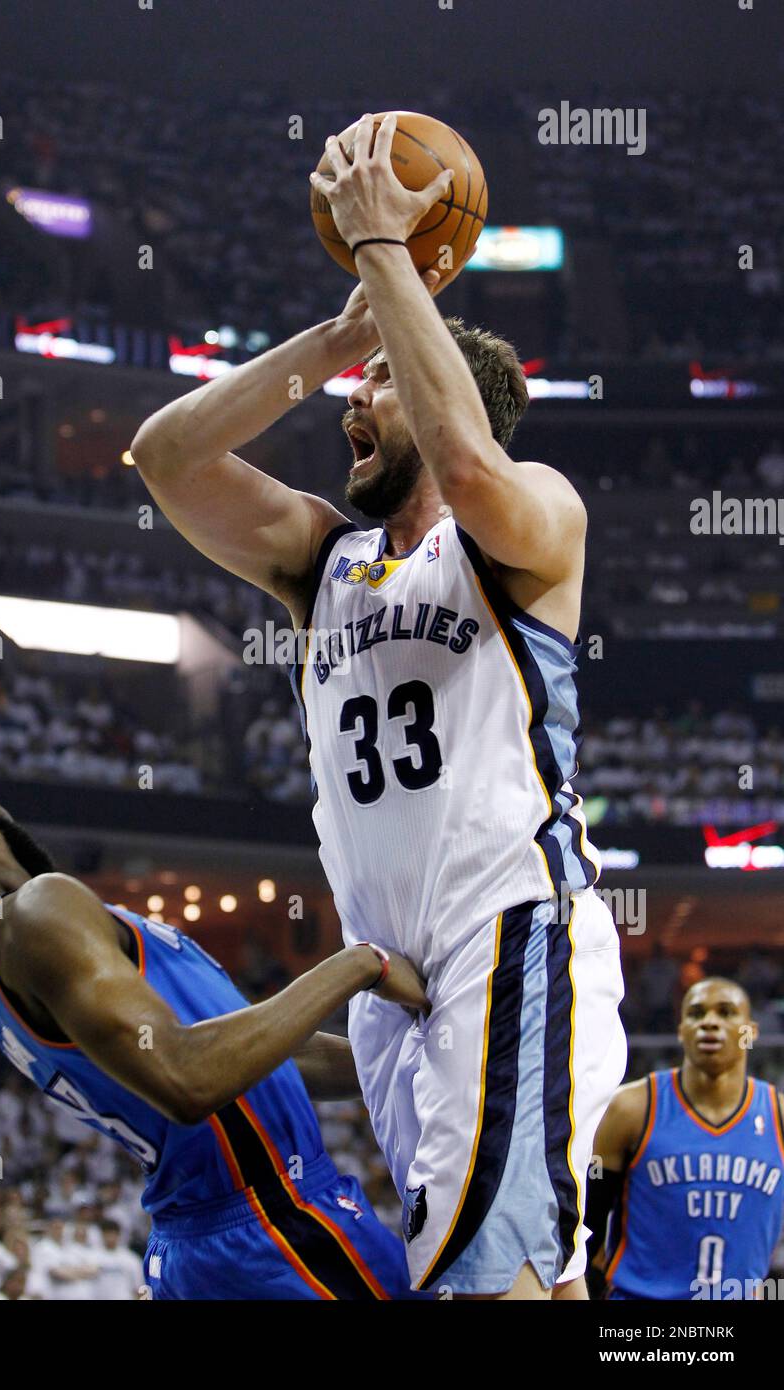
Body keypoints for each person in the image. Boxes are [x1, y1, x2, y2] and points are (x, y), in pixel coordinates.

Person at [132, 112, 626, 1298]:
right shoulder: (326, 561)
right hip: (393, 981)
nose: (348, 405)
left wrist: (386, 251)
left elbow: (466, 469)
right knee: (519, 1278)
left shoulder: (533, 520)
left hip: (510, 932)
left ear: (439, 387)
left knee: (475, 1280)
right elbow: (164, 459)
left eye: (377, 387)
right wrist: (337, 331)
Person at [0, 757, 426, 1300]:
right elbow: (187, 1077)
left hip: (225, 1239)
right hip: (274, 1231)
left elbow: (256, 1060)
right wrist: (359, 965)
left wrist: (420, 1058)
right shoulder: (37, 911)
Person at [587, 977, 784, 1301]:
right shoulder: (633, 1108)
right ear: (682, 1031)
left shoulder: (777, 1115)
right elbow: (586, 1231)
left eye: (725, 1012)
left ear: (750, 1031)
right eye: (696, 1013)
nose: (709, 1022)